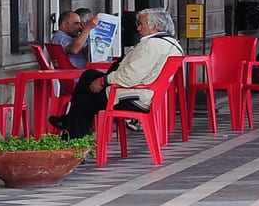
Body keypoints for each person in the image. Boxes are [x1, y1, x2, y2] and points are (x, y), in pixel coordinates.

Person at [54, 9, 184, 138]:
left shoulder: (151, 45)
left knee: (83, 100)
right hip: (145, 94)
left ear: (155, 26)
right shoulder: (172, 44)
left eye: (142, 24)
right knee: (89, 76)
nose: (138, 28)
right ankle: (70, 128)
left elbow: (129, 77)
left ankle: (71, 142)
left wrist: (103, 81)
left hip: (134, 96)